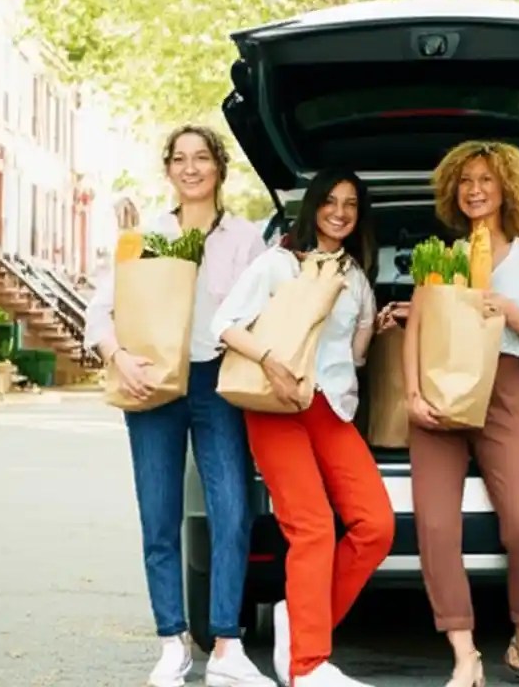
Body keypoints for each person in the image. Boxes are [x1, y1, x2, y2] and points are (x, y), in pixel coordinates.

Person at [83, 124, 273, 687]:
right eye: (180, 159)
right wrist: (119, 358)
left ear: (219, 167)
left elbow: (262, 313)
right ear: (168, 169)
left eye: (202, 158)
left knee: (233, 511)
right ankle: (172, 641)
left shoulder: (245, 240)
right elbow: (101, 312)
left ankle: (226, 646)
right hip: (153, 382)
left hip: (218, 384)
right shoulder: (145, 236)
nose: (191, 168)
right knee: (159, 516)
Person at [211, 169, 395, 687]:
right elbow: (221, 324)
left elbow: (351, 359)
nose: (339, 211)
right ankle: (308, 666)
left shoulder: (355, 277)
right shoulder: (275, 264)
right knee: (312, 527)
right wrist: (269, 359)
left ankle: (302, 618)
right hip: (275, 403)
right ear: (313, 205)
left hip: (330, 408)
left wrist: (371, 328)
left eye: (351, 204)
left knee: (376, 525)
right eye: (330, 201)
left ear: (360, 216)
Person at [402, 141, 519, 687]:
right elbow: (419, 331)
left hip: (504, 385)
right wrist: (411, 395)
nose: (475, 189)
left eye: (486, 180)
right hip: (439, 389)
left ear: (507, 190)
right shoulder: (442, 255)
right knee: (436, 524)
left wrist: (509, 309)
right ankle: (464, 651)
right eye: (466, 180)